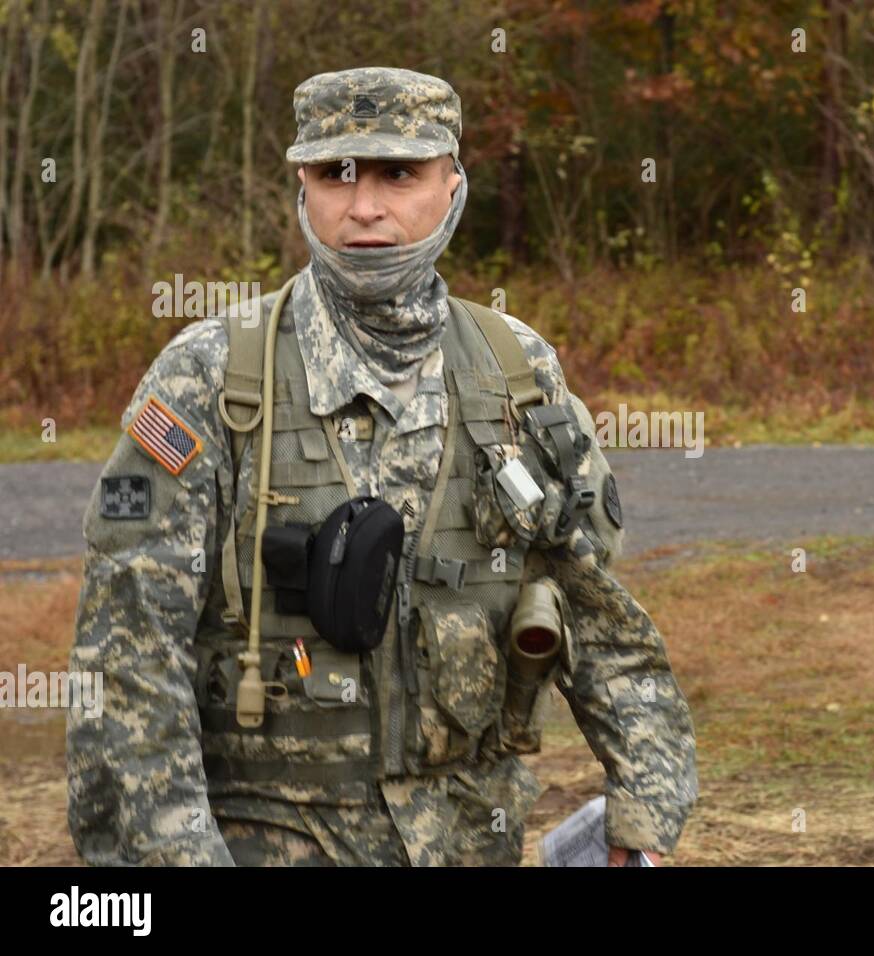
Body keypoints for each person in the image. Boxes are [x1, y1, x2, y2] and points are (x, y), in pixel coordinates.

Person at [66, 66, 698, 867]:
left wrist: (641, 819)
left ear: (452, 186)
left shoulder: (517, 374)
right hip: (268, 840)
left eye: (398, 172)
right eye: (337, 173)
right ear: (303, 187)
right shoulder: (212, 377)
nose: (364, 206)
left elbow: (601, 622)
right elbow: (127, 660)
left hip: (471, 838)